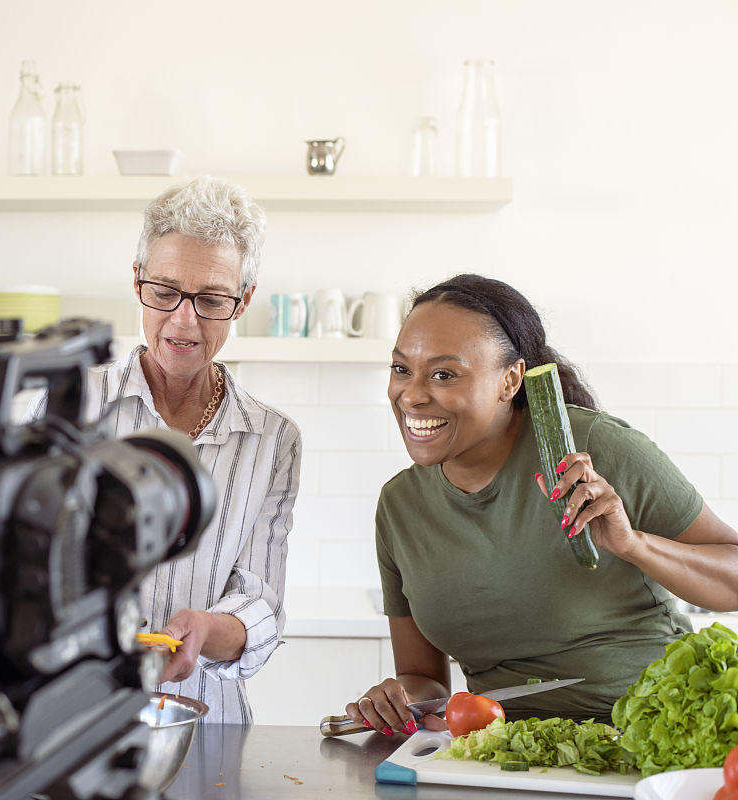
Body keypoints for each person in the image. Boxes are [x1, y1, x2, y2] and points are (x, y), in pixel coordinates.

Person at [346, 273, 738, 737]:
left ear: (510, 380)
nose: (411, 395)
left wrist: (634, 545)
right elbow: (425, 678)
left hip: (656, 733)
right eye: (400, 369)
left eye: (444, 374)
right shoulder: (400, 506)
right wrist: (397, 700)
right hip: (508, 752)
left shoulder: (594, 450)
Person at [91, 175, 300, 724]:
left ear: (243, 301)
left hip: (207, 722)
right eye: (164, 293)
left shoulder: (273, 438)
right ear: (137, 280)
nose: (183, 321)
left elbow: (262, 602)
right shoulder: (72, 409)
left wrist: (207, 630)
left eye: (210, 299)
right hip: (78, 719)